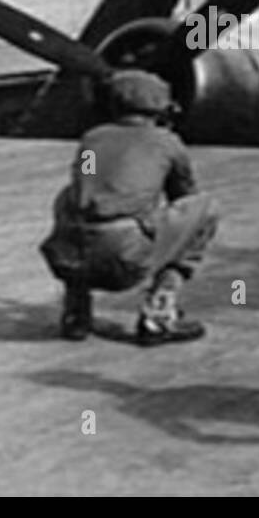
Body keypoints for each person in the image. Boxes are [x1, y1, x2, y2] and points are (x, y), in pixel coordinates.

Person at [37, 69, 220, 346]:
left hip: (68, 258)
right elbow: (184, 196)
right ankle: (158, 315)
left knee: (71, 198)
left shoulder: (91, 139)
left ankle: (76, 314)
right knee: (205, 209)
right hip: (123, 259)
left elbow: (84, 179)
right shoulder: (167, 143)